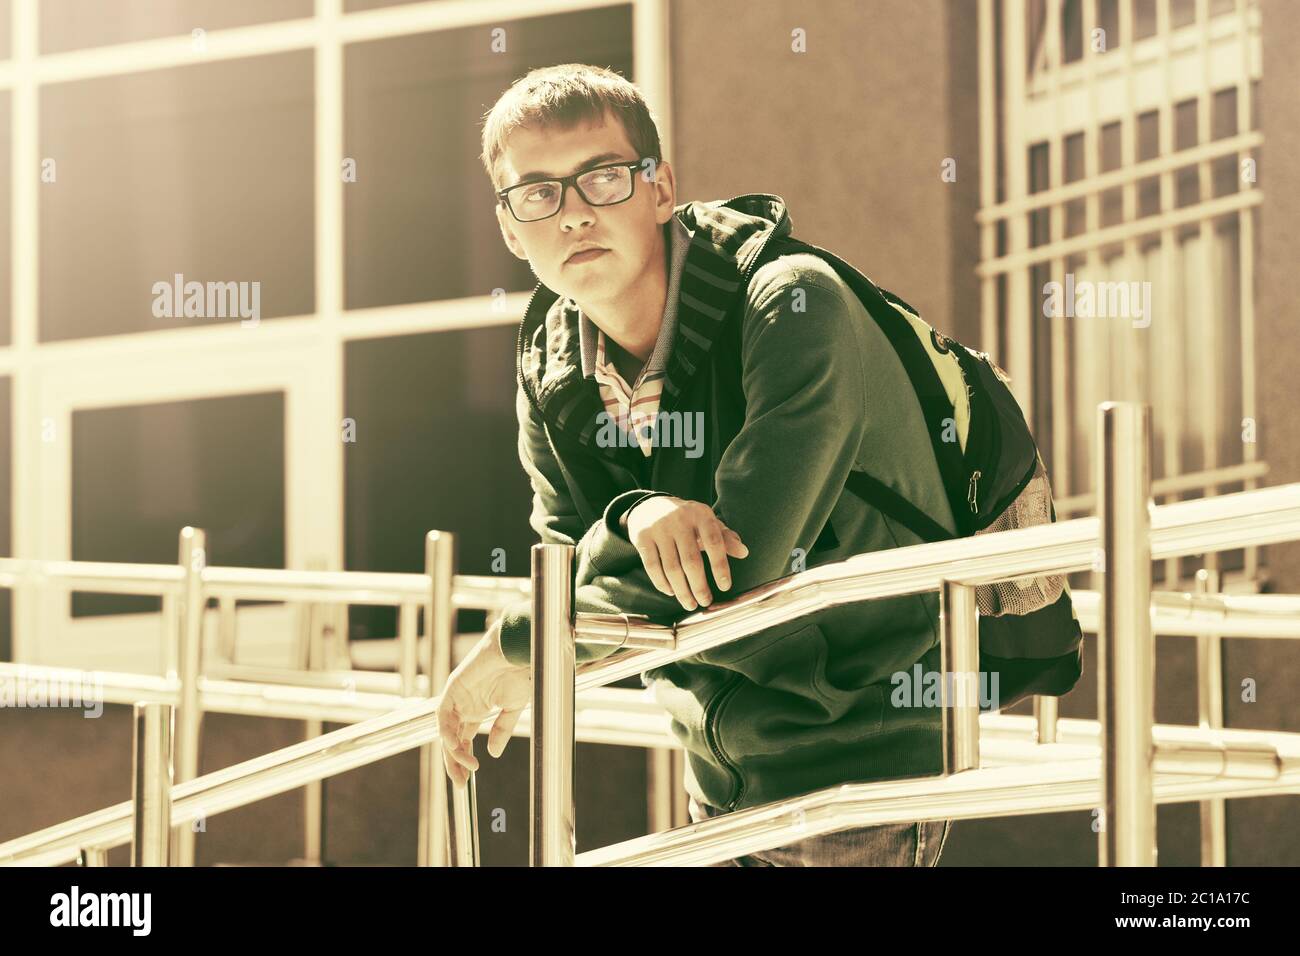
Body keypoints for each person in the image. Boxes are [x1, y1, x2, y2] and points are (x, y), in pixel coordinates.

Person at [437, 63, 954, 866]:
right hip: (715, 774)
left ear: (660, 187)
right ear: (510, 229)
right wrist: (632, 518)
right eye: (537, 194)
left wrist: (523, 641)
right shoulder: (550, 364)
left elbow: (740, 558)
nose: (573, 215)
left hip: (861, 769)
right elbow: (567, 567)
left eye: (603, 178)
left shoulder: (791, 303)